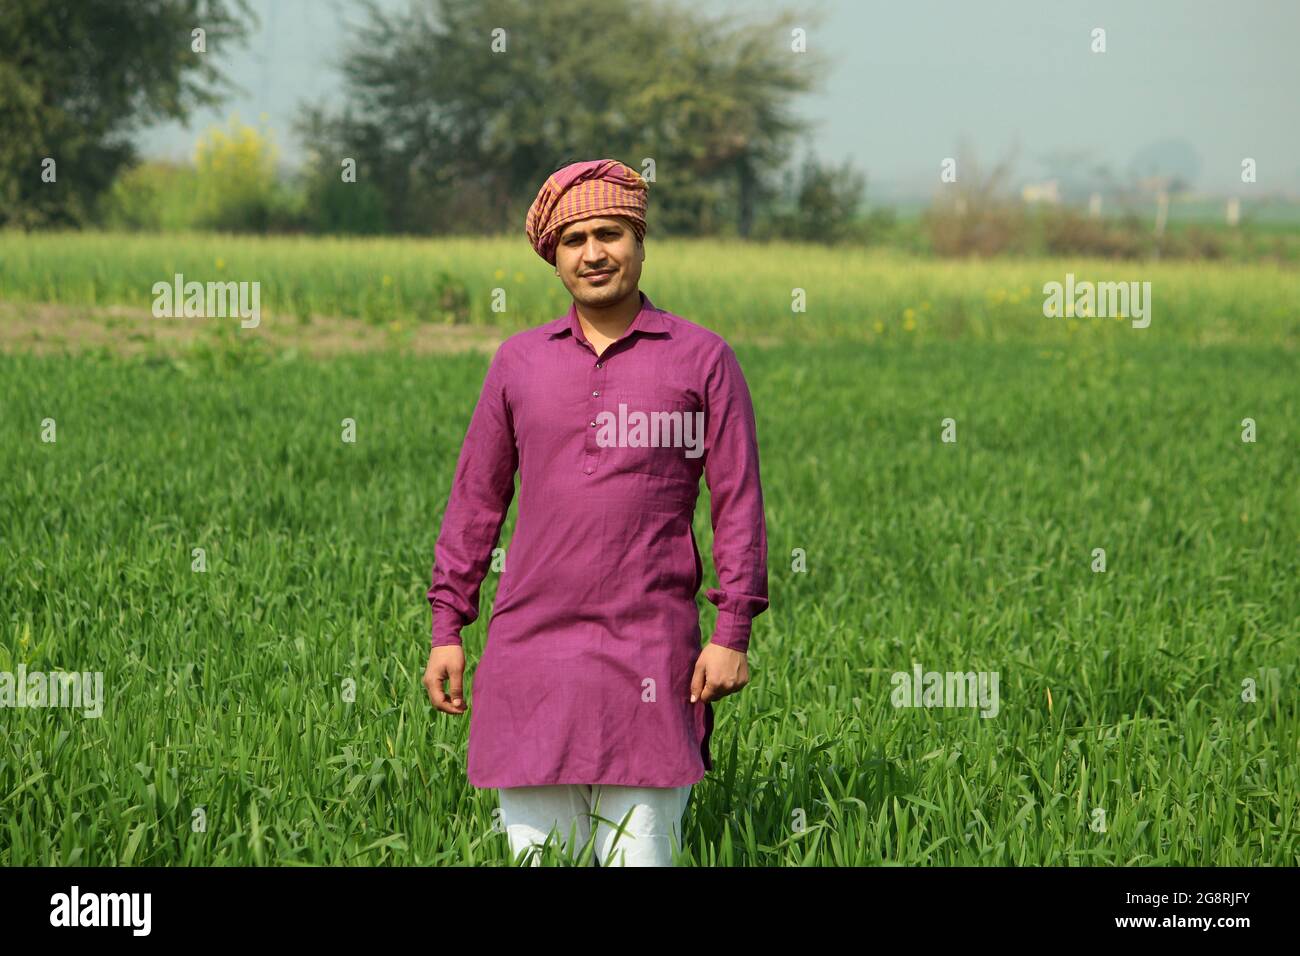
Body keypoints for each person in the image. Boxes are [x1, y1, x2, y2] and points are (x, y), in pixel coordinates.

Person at [422, 158, 769, 866]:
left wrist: (733, 630)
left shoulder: (702, 360)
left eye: (610, 233)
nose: (593, 253)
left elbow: (738, 504)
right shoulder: (519, 363)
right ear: (555, 256)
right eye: (574, 240)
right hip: (531, 654)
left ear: (640, 243)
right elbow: (475, 502)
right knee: (540, 859)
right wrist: (446, 624)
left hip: (652, 651)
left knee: (642, 855)